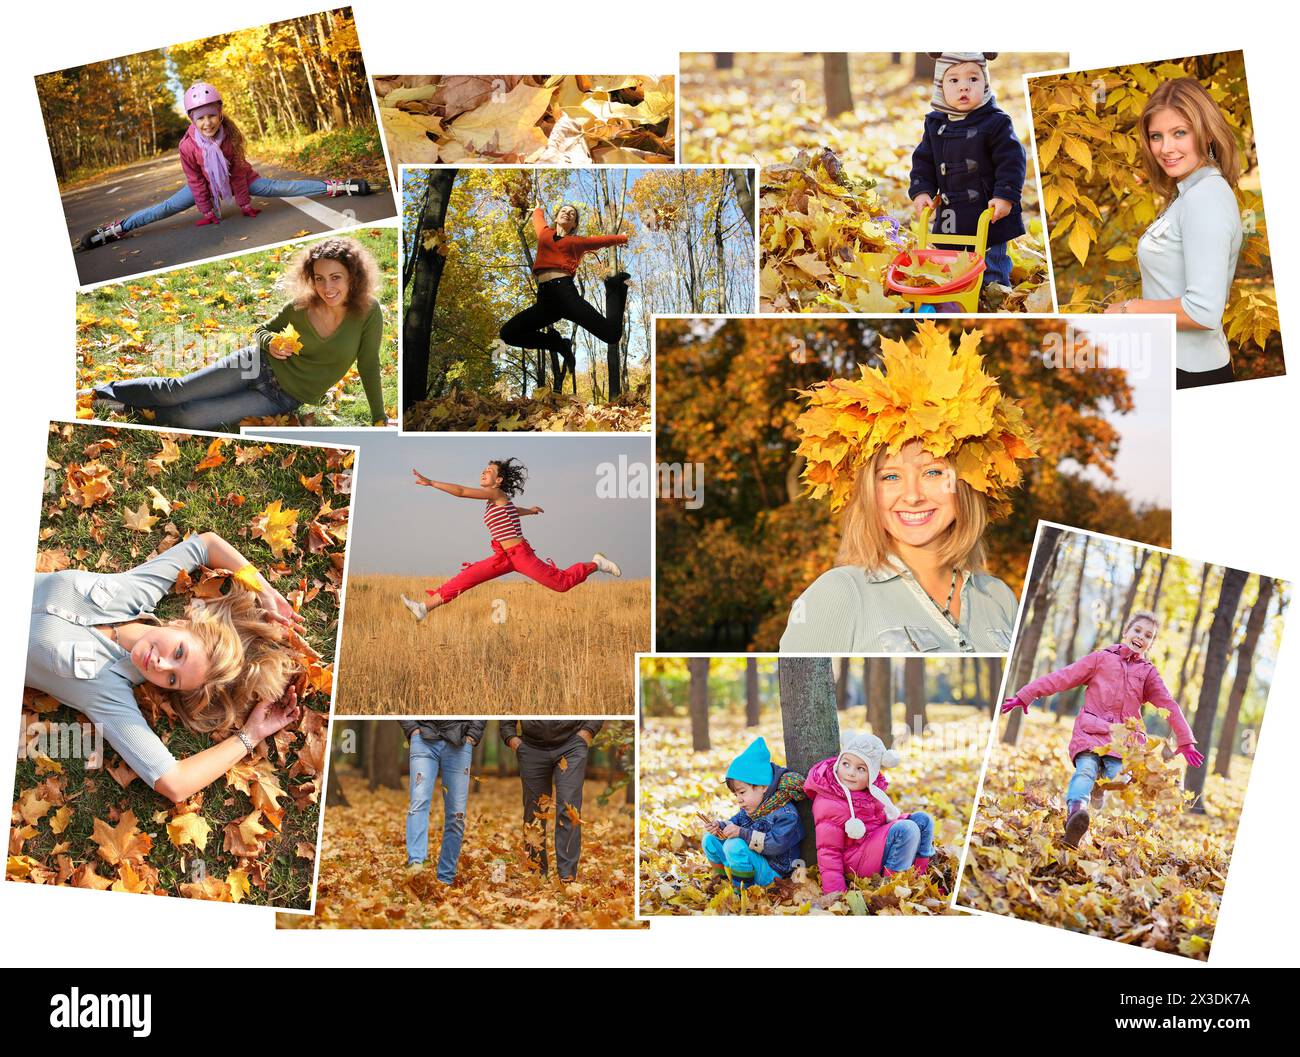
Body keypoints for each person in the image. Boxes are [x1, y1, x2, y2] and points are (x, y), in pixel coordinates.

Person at [780, 321, 1038, 653]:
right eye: (890, 476)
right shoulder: (838, 594)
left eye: (932, 473)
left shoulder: (1000, 598)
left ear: (966, 481)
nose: (913, 496)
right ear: (869, 492)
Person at [25, 531, 308, 803]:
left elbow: (175, 783)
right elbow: (206, 545)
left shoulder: (105, 690)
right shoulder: (133, 592)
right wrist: (265, 590)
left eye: (172, 679)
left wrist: (251, 735)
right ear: (181, 624)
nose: (160, 665)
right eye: (179, 652)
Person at [91, 237, 386, 429]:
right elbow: (262, 331)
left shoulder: (368, 313)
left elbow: (369, 364)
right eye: (319, 278)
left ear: (353, 278)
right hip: (255, 364)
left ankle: (130, 409)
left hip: (280, 399)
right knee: (177, 391)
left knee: (186, 416)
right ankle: (107, 392)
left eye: (336, 278)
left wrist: (378, 418)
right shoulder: (301, 306)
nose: (327, 288)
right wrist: (270, 343)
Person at [80, 82, 371, 249]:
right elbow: (195, 180)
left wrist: (244, 204)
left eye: (211, 116)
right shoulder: (187, 146)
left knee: (279, 186)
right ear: (192, 120)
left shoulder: (229, 137)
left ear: (219, 114)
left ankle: (336, 186)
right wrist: (207, 209)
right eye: (200, 118)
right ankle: (117, 228)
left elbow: (238, 173)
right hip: (202, 186)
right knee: (165, 208)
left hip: (239, 178)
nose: (207, 123)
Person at [1002, 610, 1205, 847]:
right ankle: (1075, 816)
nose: (1141, 636)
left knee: (1120, 777)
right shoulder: (1100, 659)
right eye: (1137, 630)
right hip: (1091, 732)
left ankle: (1100, 787)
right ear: (1126, 632)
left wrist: (1185, 739)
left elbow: (1168, 704)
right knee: (1086, 771)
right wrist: (1026, 694)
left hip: (1123, 742)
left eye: (1148, 635)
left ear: (1151, 643)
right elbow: (1063, 676)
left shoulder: (1147, 673)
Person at [1103, 78, 1244, 389]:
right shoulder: (1189, 192)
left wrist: (1128, 309)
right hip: (1171, 364)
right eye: (1156, 136)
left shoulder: (1204, 197)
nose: (1165, 148)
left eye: (1179, 133)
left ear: (1206, 132)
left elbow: (1203, 311)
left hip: (1192, 374)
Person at [399, 458, 621, 620]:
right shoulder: (497, 500)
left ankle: (596, 564)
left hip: (521, 556)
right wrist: (530, 511)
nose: (483, 473)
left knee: (561, 584)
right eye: (483, 470)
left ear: (498, 480)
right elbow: (512, 510)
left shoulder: (494, 494)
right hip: (503, 557)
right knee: (466, 578)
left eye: (489, 471)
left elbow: (460, 491)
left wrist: (432, 483)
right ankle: (423, 608)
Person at [909, 53, 1026, 296]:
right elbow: (924, 161)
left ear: (985, 83)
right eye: (953, 81)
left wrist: (1005, 195)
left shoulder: (996, 122)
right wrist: (922, 190)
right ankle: (956, 289)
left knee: (991, 256)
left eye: (973, 78)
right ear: (941, 87)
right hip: (952, 211)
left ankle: (995, 292)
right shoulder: (935, 125)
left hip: (988, 210)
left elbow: (1011, 160)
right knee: (951, 256)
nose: (964, 86)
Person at [498, 202, 631, 372]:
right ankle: (558, 344)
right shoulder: (545, 234)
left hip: (566, 295)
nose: (567, 213)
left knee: (612, 335)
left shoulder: (576, 241)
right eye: (563, 211)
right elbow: (538, 219)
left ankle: (613, 288)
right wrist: (538, 209)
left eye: (572, 214)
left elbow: (599, 241)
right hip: (545, 300)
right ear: (556, 218)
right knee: (508, 333)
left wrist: (622, 238)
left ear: (574, 224)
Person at [803, 733, 935, 894]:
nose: (851, 773)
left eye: (861, 769)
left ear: (871, 775)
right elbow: (828, 851)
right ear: (838, 763)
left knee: (923, 820)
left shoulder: (871, 792)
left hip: (871, 846)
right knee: (907, 829)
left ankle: (918, 875)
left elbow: (879, 824)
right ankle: (890, 890)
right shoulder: (829, 802)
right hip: (853, 863)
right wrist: (835, 893)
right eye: (846, 764)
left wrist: (899, 820)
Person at [500, 720, 603, 881]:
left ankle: (567, 877)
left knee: (569, 808)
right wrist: (511, 738)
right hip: (531, 748)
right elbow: (507, 712)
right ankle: (536, 874)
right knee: (534, 813)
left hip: (571, 745)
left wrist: (588, 731)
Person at [700, 737, 805, 888]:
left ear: (763, 786)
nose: (739, 800)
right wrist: (720, 827)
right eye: (736, 795)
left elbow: (775, 844)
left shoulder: (785, 813)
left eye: (742, 792)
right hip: (752, 861)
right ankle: (722, 880)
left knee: (733, 846)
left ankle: (742, 891)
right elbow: (735, 822)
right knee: (709, 839)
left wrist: (743, 834)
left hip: (772, 872)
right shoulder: (751, 807)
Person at [400, 720, 484, 882]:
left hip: (460, 741)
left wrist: (473, 734)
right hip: (423, 738)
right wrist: (411, 729)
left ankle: (445, 878)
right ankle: (416, 864)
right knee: (418, 802)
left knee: (457, 814)